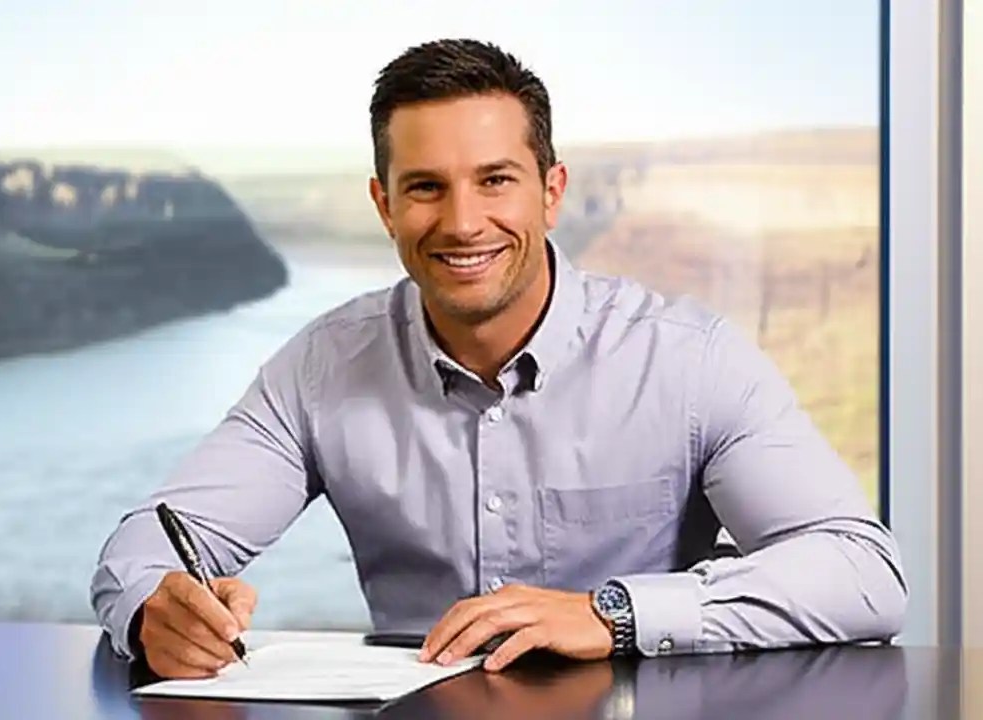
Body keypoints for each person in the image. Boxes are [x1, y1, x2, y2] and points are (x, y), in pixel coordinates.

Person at [91, 37, 907, 680]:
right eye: (425, 188)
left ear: (551, 192)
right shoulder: (321, 369)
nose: (462, 221)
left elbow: (862, 572)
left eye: (495, 180)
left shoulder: (689, 362)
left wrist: (616, 615)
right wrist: (155, 611)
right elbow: (145, 546)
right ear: (383, 205)